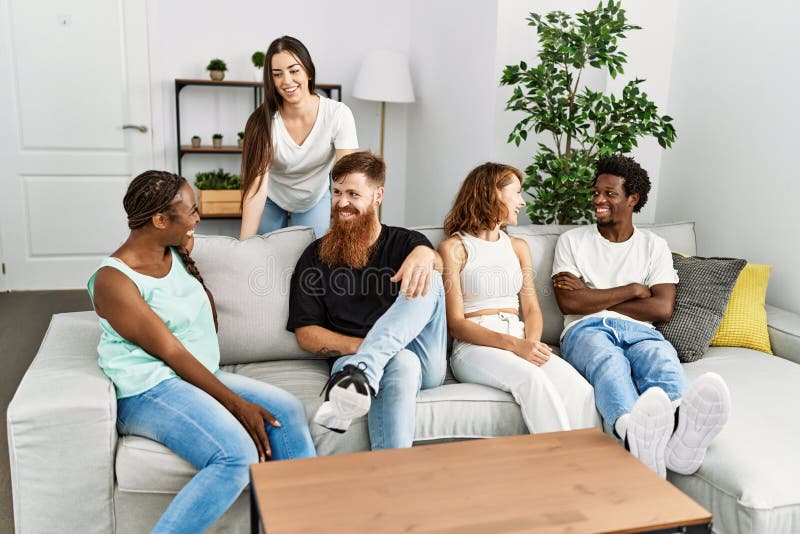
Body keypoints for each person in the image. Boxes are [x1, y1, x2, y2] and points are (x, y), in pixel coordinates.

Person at [88, 170, 316, 533]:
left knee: (286, 410)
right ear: (160, 220)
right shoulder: (113, 280)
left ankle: (302, 525)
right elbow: (171, 351)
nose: (198, 218)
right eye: (191, 211)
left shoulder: (173, 250)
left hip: (193, 376)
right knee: (236, 455)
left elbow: (206, 317)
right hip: (149, 389)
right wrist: (237, 404)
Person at [552, 154, 731, 477]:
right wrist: (633, 289)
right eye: (596, 193)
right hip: (585, 330)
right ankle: (631, 431)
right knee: (609, 362)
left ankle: (682, 435)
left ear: (632, 199)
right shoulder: (572, 241)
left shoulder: (654, 246)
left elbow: (661, 308)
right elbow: (569, 303)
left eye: (609, 194)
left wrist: (592, 296)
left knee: (660, 356)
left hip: (641, 330)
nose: (598, 200)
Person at [287, 151, 447, 450]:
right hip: (357, 360)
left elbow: (435, 263)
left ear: (377, 196)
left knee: (432, 277)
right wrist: (374, 351)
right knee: (403, 362)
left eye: (353, 194)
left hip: (422, 358)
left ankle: (363, 370)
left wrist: (427, 254)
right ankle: (393, 479)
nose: (342, 203)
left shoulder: (405, 242)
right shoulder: (314, 256)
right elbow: (306, 334)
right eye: (336, 192)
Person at [438, 163, 599, 434]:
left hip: (521, 338)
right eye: (517, 193)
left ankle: (592, 465)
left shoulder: (517, 247)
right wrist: (514, 346)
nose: (522, 202)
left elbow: (532, 310)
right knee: (533, 380)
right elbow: (455, 323)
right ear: (492, 194)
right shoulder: (455, 248)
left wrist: (529, 345)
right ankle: (561, 466)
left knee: (580, 389)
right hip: (475, 346)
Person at [239, 35, 358, 240]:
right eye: (277, 74)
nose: (287, 81)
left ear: (308, 72)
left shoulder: (338, 114)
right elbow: (256, 189)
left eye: (294, 71)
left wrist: (348, 236)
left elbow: (348, 179)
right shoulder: (261, 122)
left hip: (314, 198)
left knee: (312, 257)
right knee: (263, 252)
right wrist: (243, 247)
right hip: (271, 197)